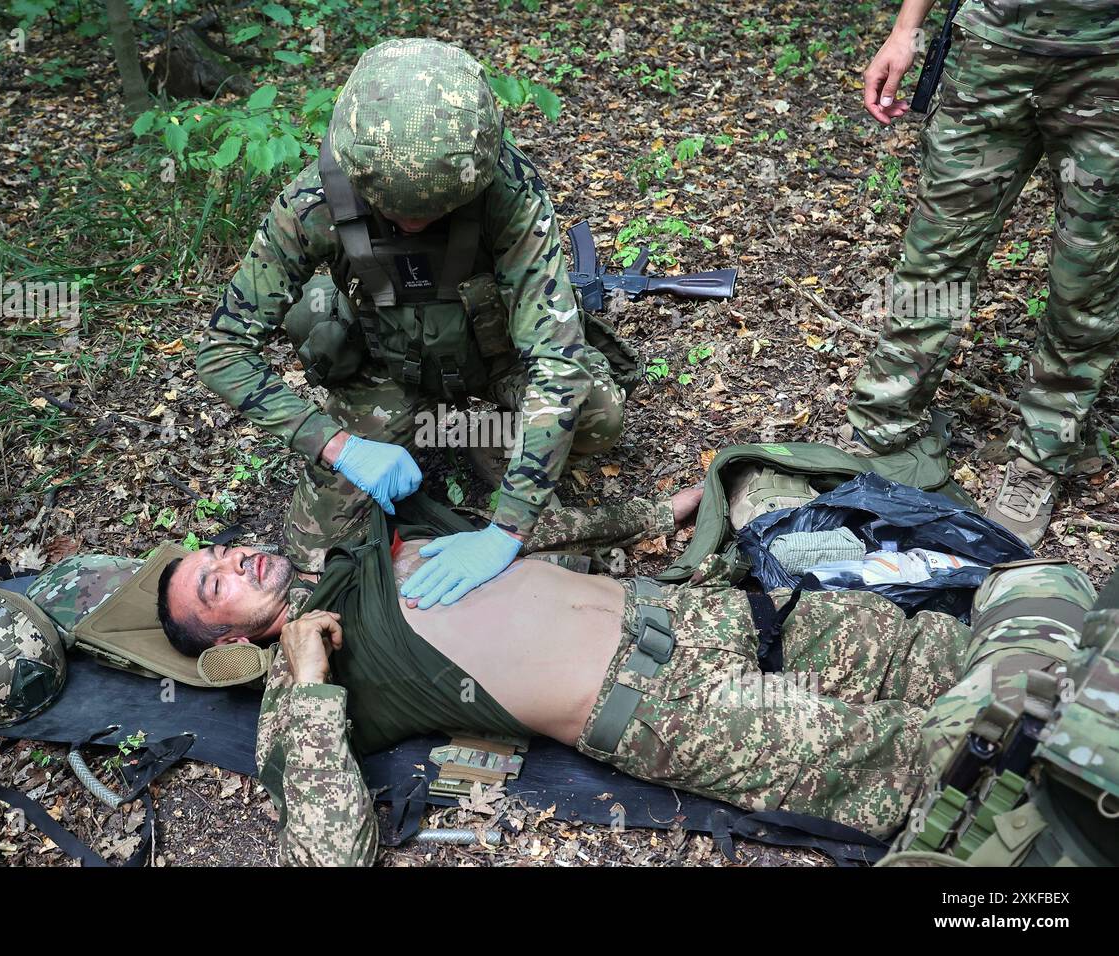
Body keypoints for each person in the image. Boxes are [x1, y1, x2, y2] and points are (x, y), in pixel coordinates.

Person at [155, 484, 1100, 866]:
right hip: (670, 707)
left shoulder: (364, 551)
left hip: (705, 615)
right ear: (219, 644)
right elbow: (328, 852)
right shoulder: (296, 688)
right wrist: (310, 676)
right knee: (950, 765)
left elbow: (518, 540)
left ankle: (1072, 701)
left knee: (935, 649)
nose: (237, 561)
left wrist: (660, 510)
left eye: (228, 551)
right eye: (215, 584)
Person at [197, 37, 629, 607]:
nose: (418, 224)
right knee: (313, 556)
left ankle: (479, 432)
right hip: (390, 370)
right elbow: (223, 349)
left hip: (495, 358)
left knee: (598, 419)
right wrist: (339, 447)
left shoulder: (509, 195)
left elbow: (557, 359)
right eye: (397, 211)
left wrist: (507, 530)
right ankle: (457, 429)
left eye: (438, 211)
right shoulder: (312, 206)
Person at [847, 0, 1119, 546]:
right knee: (933, 259)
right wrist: (905, 30)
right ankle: (879, 430)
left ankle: (1043, 454)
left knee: (1085, 281)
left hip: (1106, 66)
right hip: (991, 53)